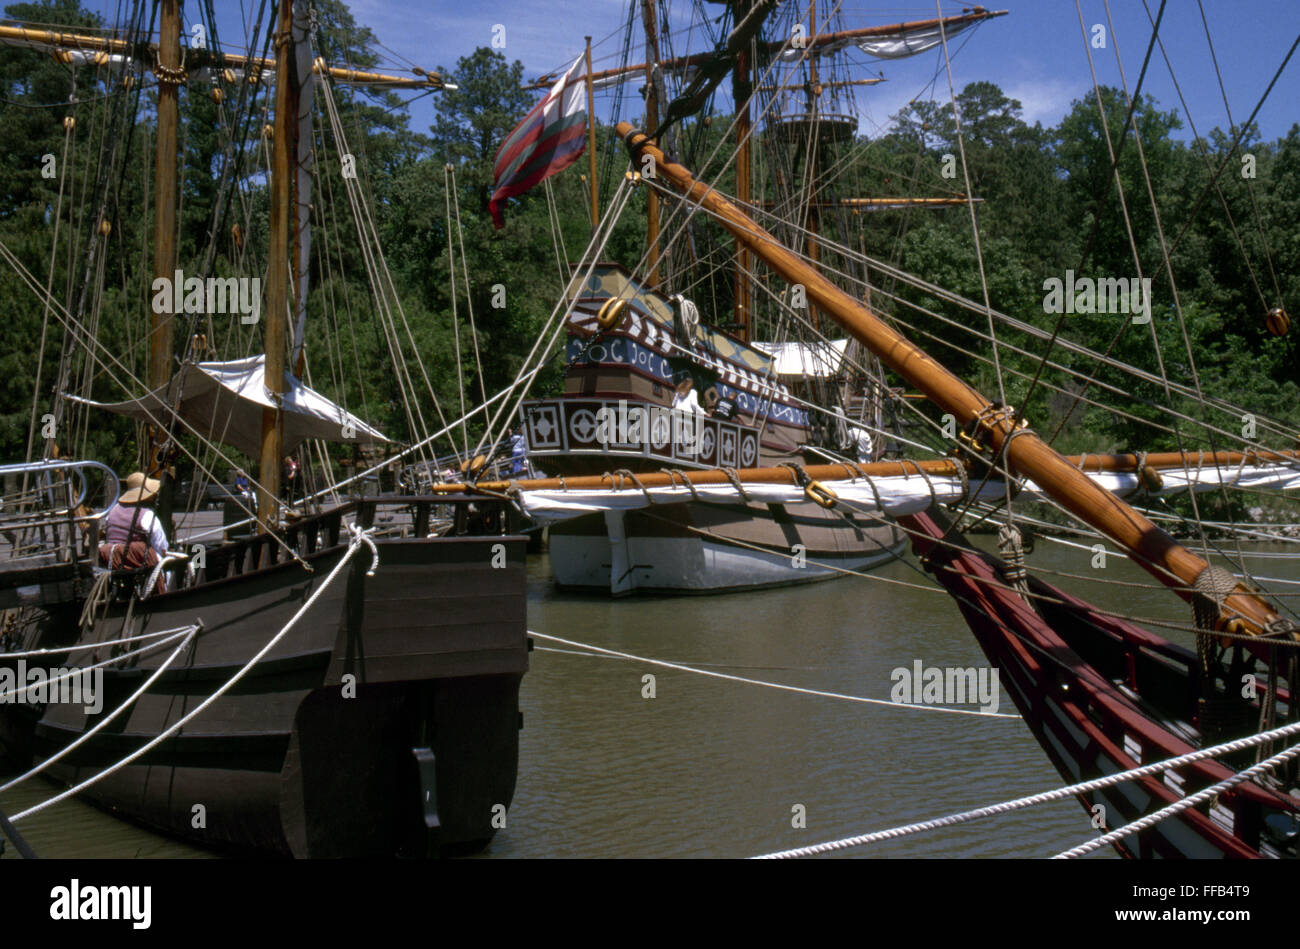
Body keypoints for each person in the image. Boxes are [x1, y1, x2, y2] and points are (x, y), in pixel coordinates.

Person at [98, 471, 170, 595]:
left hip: (113, 560)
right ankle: (165, 591)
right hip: (139, 562)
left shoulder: (112, 512)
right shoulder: (147, 515)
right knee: (168, 564)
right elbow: (161, 546)